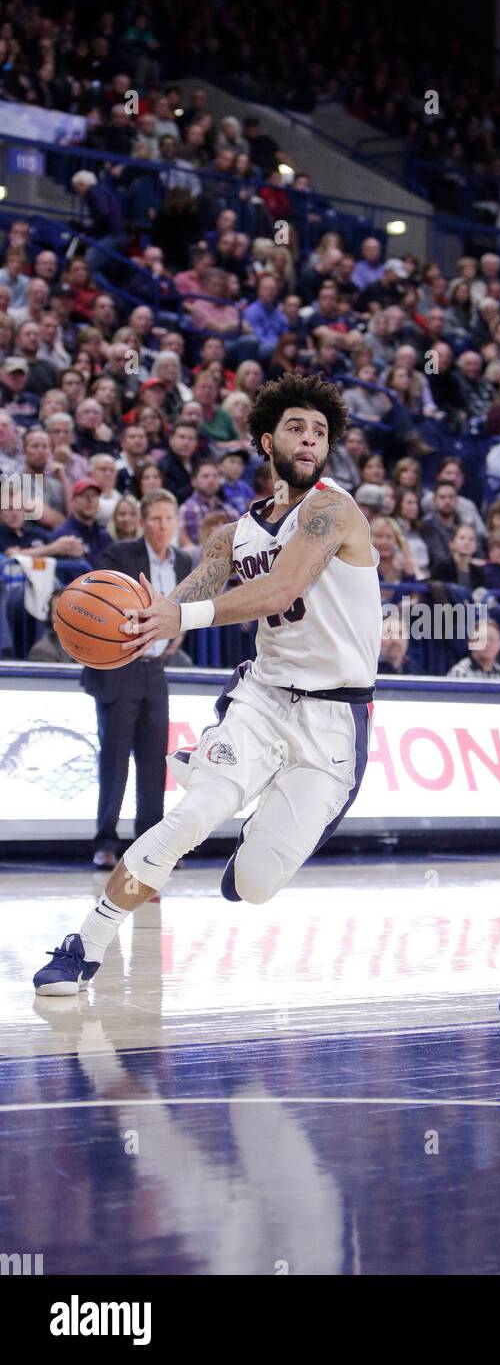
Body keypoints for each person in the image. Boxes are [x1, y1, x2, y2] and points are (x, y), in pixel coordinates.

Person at [35, 373, 381, 995]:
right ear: (266, 441)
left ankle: (260, 832)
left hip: (335, 720)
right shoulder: (230, 536)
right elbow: (182, 599)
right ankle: (84, 943)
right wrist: (137, 623)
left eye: (321, 432)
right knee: (189, 818)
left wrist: (182, 615)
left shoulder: (334, 509)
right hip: (261, 700)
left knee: (254, 885)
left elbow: (280, 590)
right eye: (297, 428)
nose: (310, 440)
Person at [81, 489, 193, 869]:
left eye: (168, 519)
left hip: (155, 670)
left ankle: (151, 844)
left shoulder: (183, 562)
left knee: (153, 762)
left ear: (176, 522)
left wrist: (179, 631)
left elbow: (185, 611)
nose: (162, 526)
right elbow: (97, 603)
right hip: (118, 669)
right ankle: (106, 841)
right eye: (156, 519)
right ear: (143, 522)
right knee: (114, 761)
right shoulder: (119, 555)